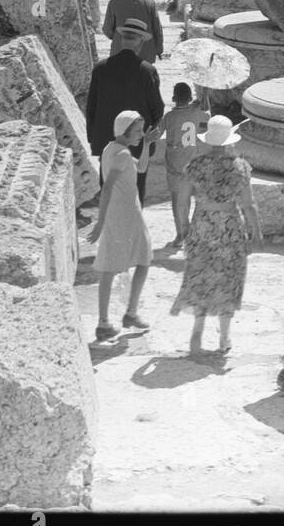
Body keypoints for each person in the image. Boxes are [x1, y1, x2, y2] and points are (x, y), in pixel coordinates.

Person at [170, 115, 262, 356]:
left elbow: (182, 202)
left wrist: (183, 227)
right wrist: (255, 232)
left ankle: (198, 329)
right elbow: (248, 205)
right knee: (229, 277)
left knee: (201, 273)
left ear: (208, 140)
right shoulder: (240, 167)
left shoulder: (195, 165)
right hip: (229, 228)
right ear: (230, 140)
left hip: (202, 224)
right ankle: (224, 336)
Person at [87, 111, 153, 341]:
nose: (141, 134)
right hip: (125, 215)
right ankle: (128, 314)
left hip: (122, 214)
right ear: (125, 131)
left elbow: (142, 168)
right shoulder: (122, 155)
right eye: (138, 131)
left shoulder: (111, 149)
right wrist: (100, 222)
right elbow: (106, 187)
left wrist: (147, 143)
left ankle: (107, 321)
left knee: (111, 267)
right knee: (142, 259)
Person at [85, 18, 163, 206]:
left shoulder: (100, 68)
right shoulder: (147, 71)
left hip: (106, 140)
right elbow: (157, 108)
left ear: (121, 40)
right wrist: (148, 138)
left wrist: (92, 138)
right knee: (136, 188)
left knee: (108, 187)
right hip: (136, 140)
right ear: (141, 42)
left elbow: (91, 107)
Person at [158, 82, 208, 248]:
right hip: (193, 161)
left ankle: (181, 234)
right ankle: (193, 232)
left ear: (173, 98)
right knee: (194, 198)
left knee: (178, 201)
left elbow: (156, 134)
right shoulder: (196, 112)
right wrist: (204, 95)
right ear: (190, 98)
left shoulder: (169, 117)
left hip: (174, 164)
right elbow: (206, 114)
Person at [103, 0, 164, 64]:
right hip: (145, 52)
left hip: (120, 50)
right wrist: (159, 49)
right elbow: (157, 28)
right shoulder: (149, 2)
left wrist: (119, 37)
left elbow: (107, 30)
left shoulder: (113, 3)